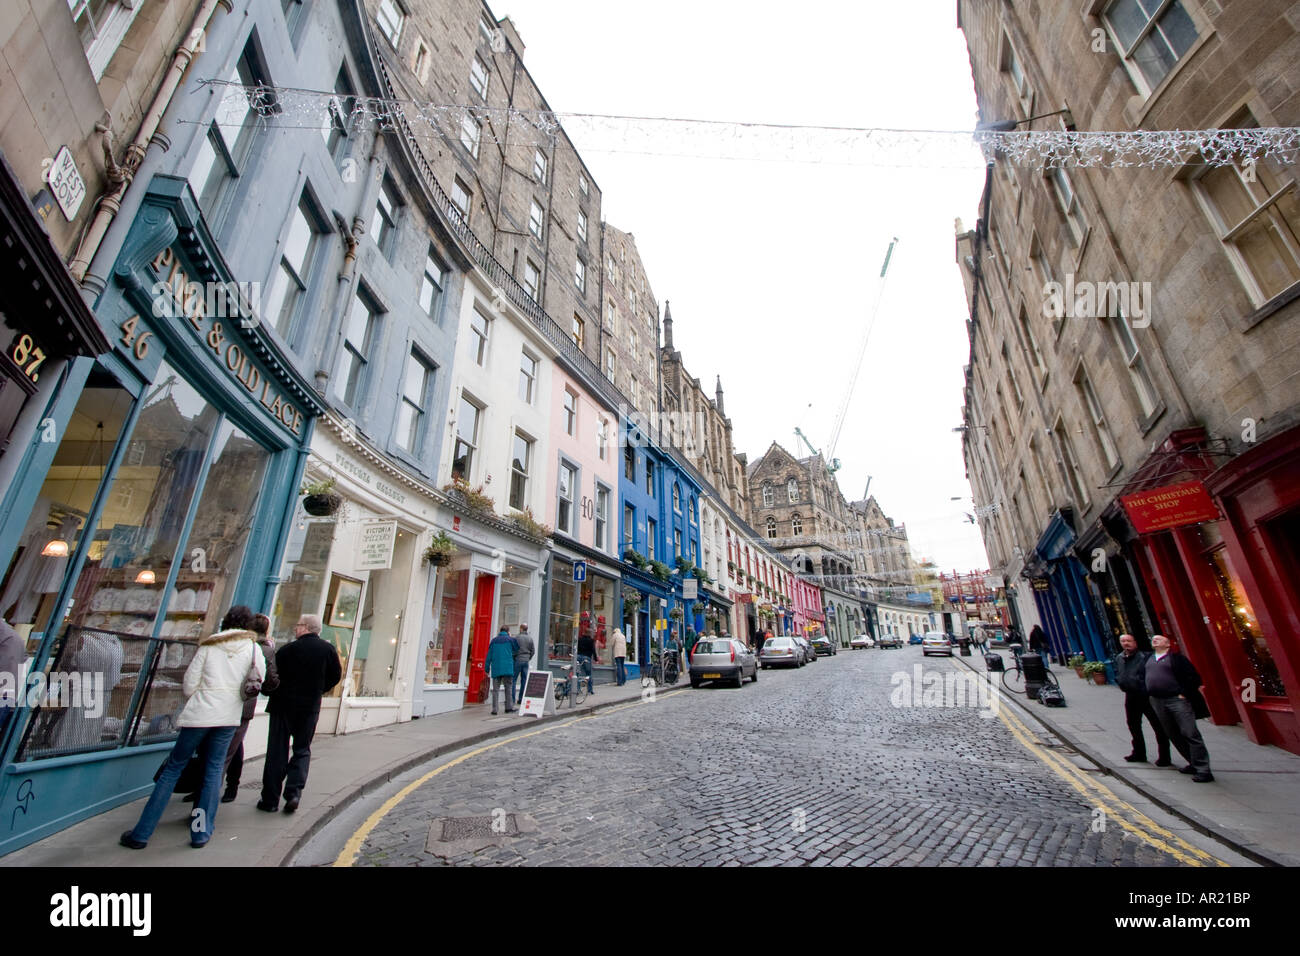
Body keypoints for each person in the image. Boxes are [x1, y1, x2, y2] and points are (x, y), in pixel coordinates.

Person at [120, 606, 264, 849]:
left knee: (173, 769)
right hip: (228, 716)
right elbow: (256, 681)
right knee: (212, 771)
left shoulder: (209, 646)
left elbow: (188, 686)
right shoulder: (253, 649)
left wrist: (205, 697)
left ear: (225, 623)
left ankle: (142, 833)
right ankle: (200, 832)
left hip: (199, 715)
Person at [258, 613, 341, 813]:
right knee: (302, 749)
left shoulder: (287, 649)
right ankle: (293, 793)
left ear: (305, 627)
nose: (295, 628)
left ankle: (270, 799)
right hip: (309, 707)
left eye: (298, 625)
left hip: (282, 706)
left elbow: (273, 675)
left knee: (277, 751)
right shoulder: (327, 650)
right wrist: (319, 689)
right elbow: (335, 676)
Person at [214, 613, 279, 803]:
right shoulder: (264, 650)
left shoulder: (226, 645)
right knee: (230, 750)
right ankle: (228, 788)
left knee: (221, 752)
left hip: (222, 703)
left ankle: (207, 796)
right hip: (244, 704)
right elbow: (270, 681)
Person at [1145, 634, 1213, 782]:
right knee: (1172, 733)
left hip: (1176, 700)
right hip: (1157, 701)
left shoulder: (1176, 659)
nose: (1154, 640)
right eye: (1153, 639)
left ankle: (1203, 769)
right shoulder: (1149, 658)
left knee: (1190, 732)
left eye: (1159, 638)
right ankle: (1192, 762)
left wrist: (1184, 694)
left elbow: (1193, 677)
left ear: (1168, 644)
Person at [1112, 634, 1171, 766]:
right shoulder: (1120, 657)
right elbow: (1119, 672)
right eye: (1123, 641)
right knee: (1133, 725)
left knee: (1158, 726)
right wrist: (1120, 682)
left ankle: (1165, 756)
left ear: (1135, 642)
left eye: (1128, 641)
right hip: (1130, 695)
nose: (1126, 643)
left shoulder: (1146, 657)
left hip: (1146, 696)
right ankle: (1139, 753)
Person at [486, 627, 518, 714]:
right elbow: (516, 650)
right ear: (508, 632)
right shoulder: (511, 640)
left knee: (495, 690)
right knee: (508, 688)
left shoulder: (493, 641)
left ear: (500, 631)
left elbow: (489, 655)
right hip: (508, 667)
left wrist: (487, 668)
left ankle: (495, 709)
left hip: (496, 667)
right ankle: (508, 707)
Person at [512, 623, 534, 707]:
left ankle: (512, 699)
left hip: (518, 660)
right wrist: (528, 658)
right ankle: (521, 699)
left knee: (513, 680)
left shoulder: (517, 638)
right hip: (526, 661)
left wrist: (514, 657)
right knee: (524, 680)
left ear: (521, 629)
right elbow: (533, 651)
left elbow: (513, 650)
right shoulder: (530, 639)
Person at [576, 626, 597, 695]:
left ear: (584, 633)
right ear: (590, 634)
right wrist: (596, 658)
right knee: (588, 674)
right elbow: (593, 650)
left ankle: (577, 689)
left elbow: (577, 648)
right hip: (587, 658)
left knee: (577, 673)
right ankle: (590, 690)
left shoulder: (580, 639)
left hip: (578, 657)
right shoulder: (591, 640)